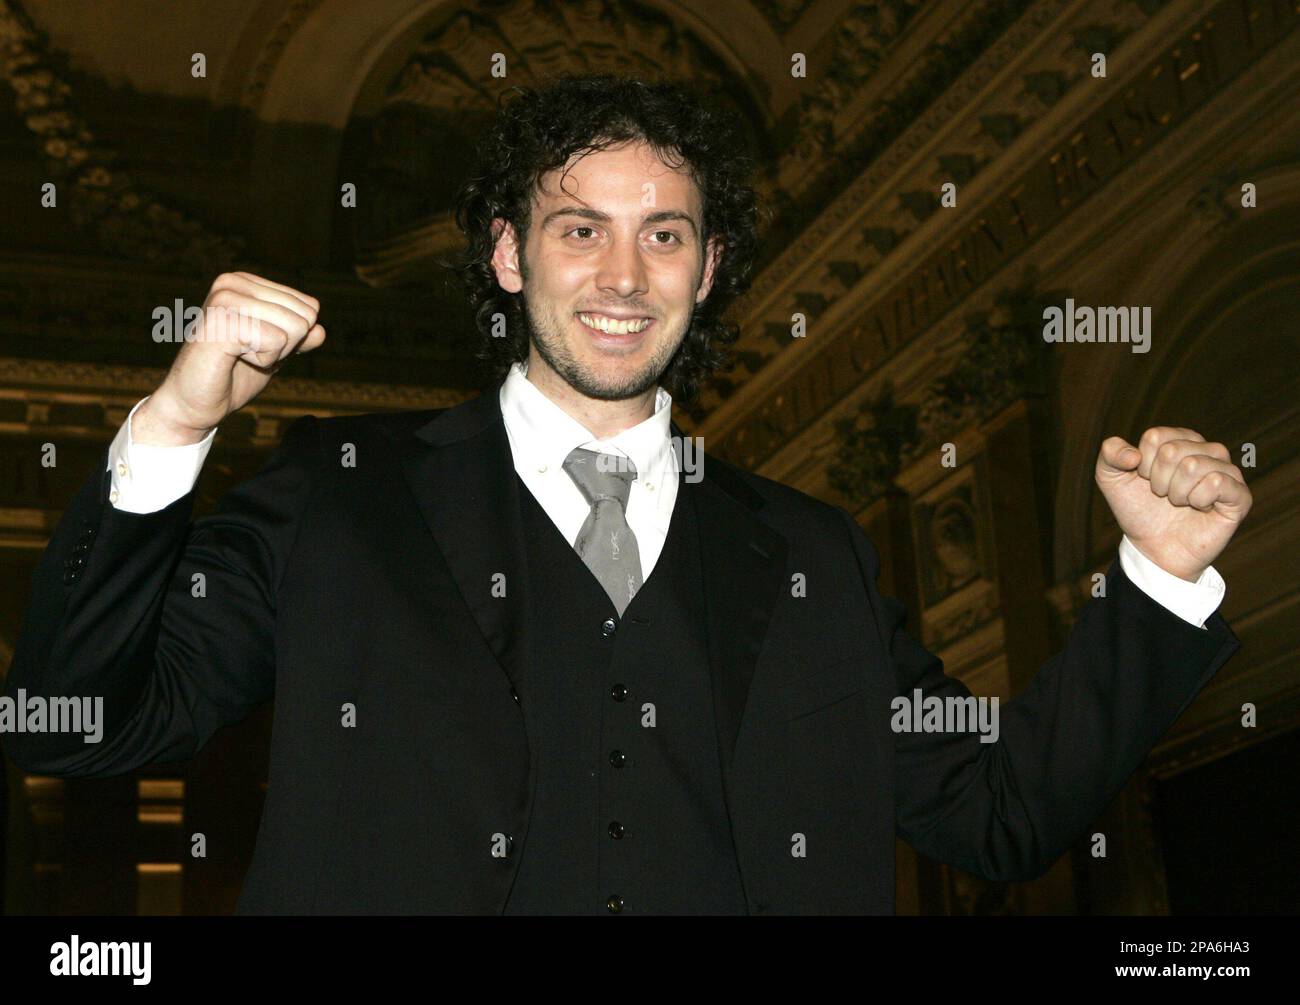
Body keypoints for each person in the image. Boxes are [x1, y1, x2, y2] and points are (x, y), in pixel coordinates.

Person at [2, 75, 1251, 914]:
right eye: (576, 229)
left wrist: (1160, 579)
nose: (622, 273)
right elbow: (72, 722)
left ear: (707, 270)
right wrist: (172, 428)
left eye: (663, 234)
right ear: (506, 254)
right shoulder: (336, 498)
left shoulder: (807, 551)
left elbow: (992, 814)